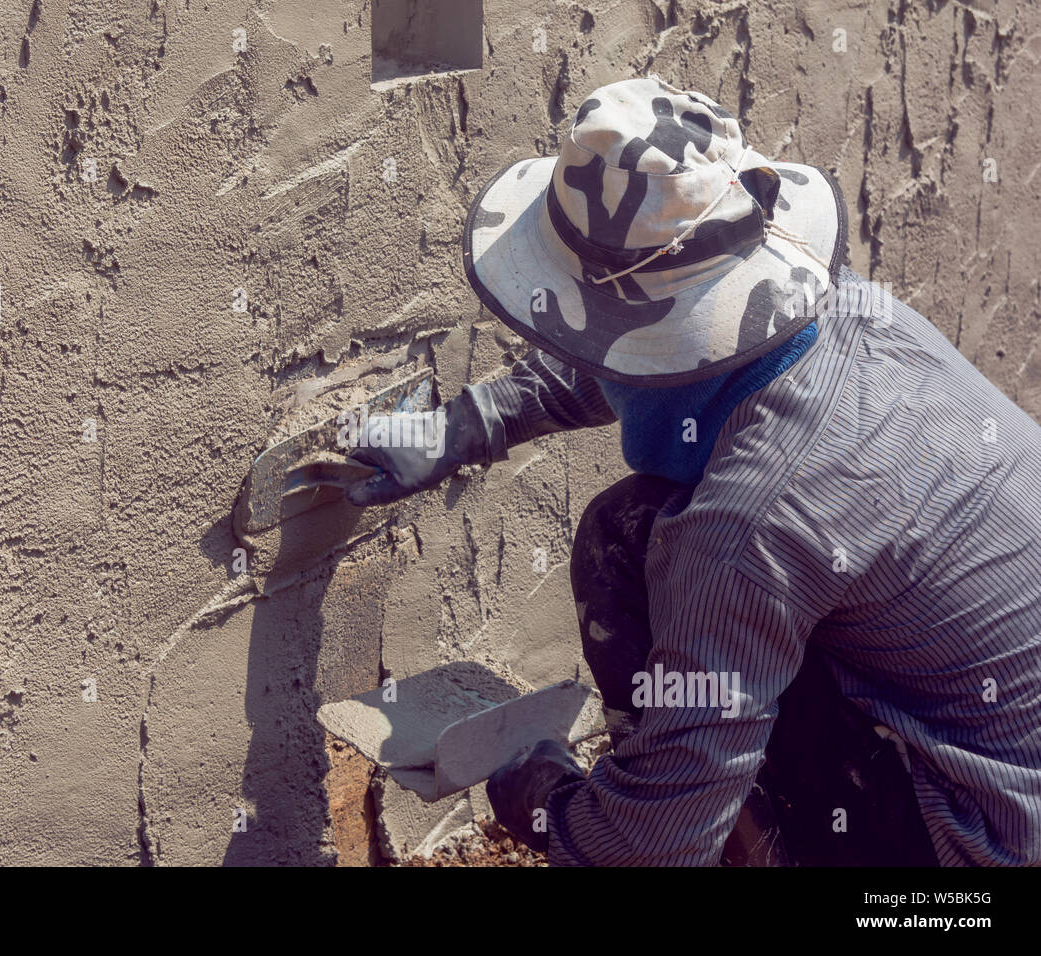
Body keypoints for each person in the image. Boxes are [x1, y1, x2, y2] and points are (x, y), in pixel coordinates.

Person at [343, 75, 1041, 866]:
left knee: (649, 571)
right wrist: (474, 422)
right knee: (635, 540)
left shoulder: (745, 525)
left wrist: (543, 801)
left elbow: (644, 848)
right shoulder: (840, 309)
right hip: (1005, 760)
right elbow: (657, 346)